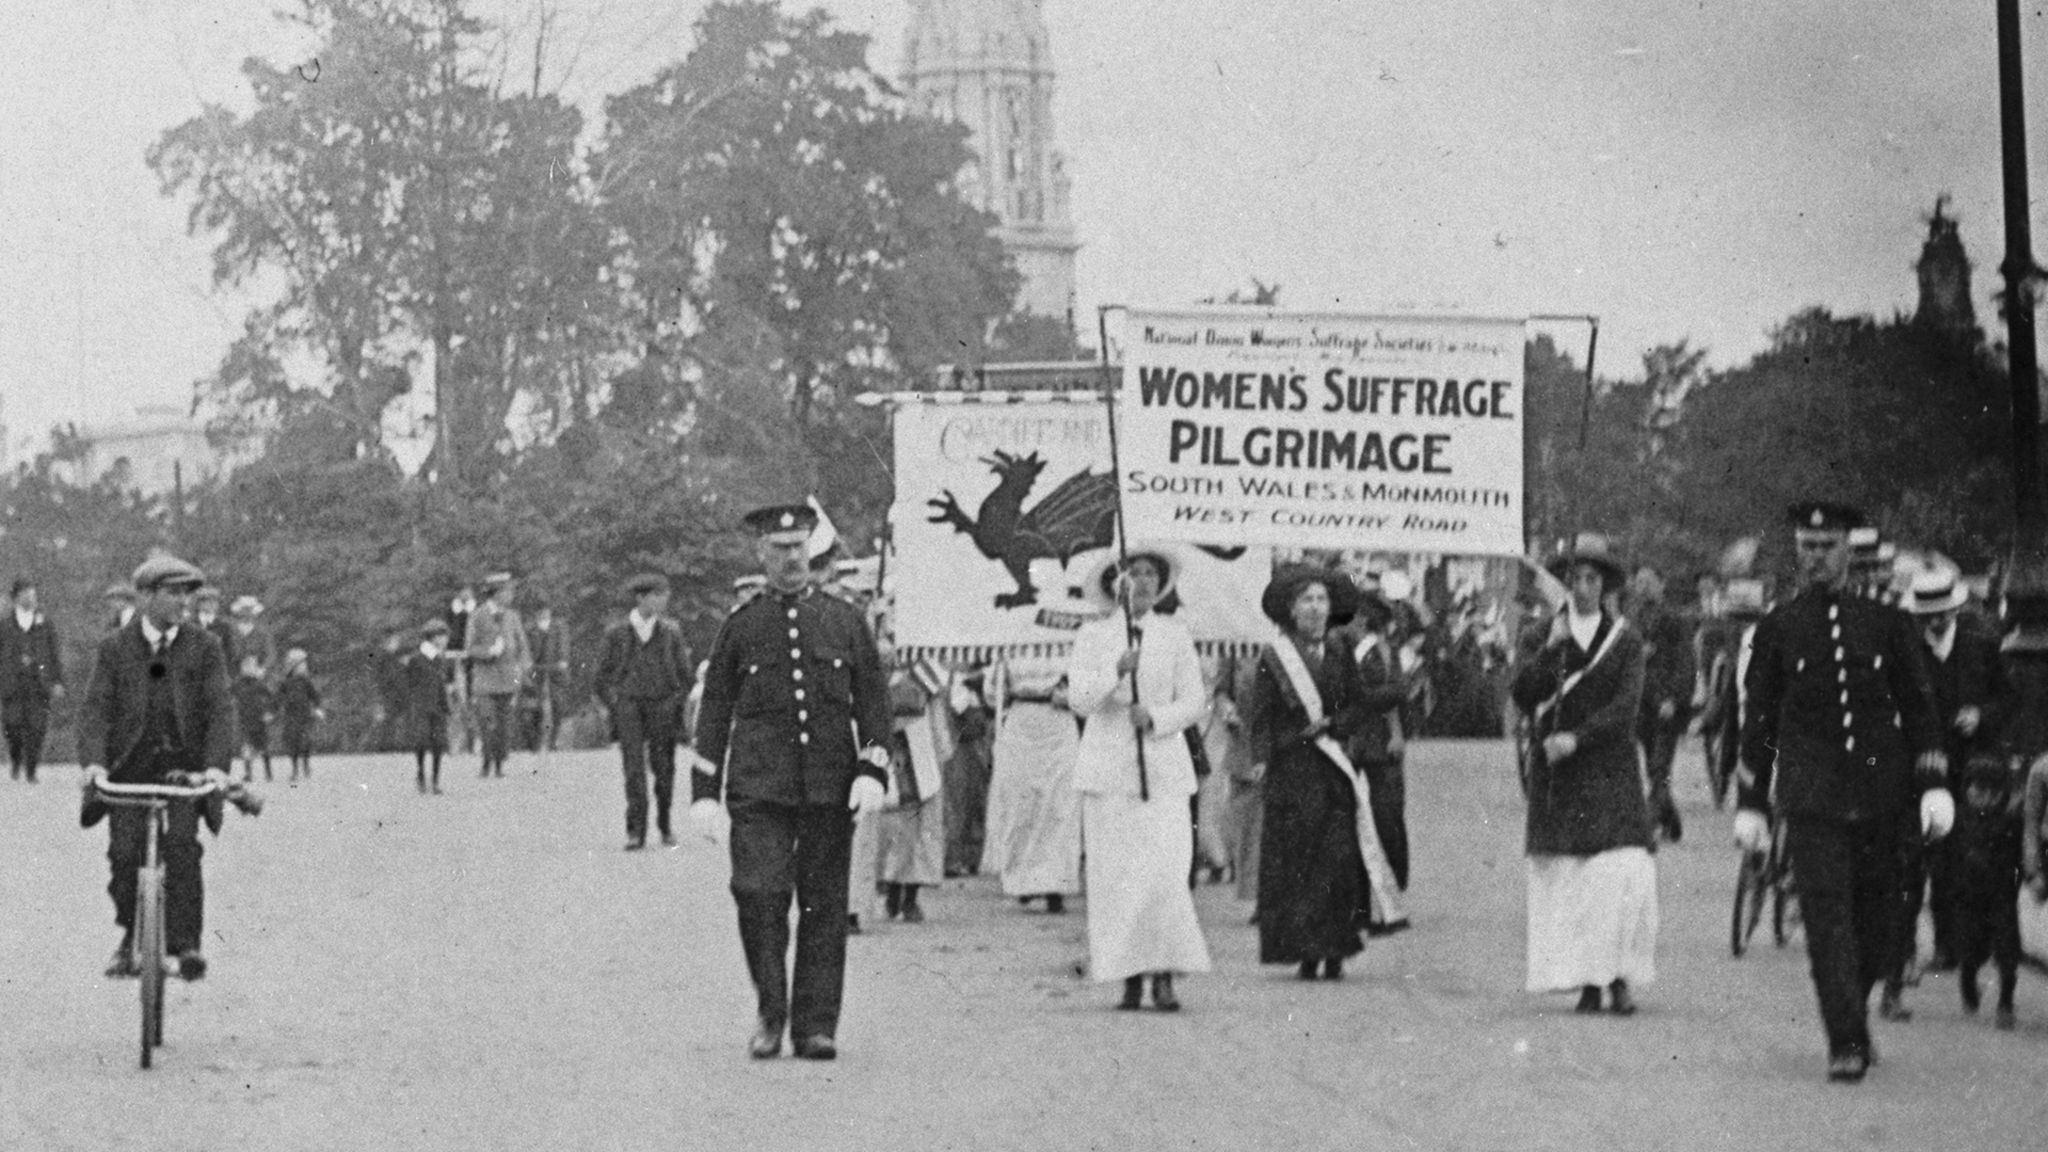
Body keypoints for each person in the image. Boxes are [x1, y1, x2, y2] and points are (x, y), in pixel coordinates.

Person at [1737, 501, 1950, 1083]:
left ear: (1846, 553)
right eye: (1807, 546)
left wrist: (1933, 782)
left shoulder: (1886, 623)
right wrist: (1752, 801)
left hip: (1881, 793)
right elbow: (1758, 722)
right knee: (1827, 917)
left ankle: (1853, 1010)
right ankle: (1846, 1041)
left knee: (1878, 921)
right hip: (1811, 799)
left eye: (1826, 546)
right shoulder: (1778, 628)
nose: (1816, 558)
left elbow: (1919, 707)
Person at [689, 503, 892, 1061]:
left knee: (823, 907)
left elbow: (874, 704)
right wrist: (703, 793)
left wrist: (873, 769)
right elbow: (714, 713)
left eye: (799, 547)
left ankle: (815, 1025)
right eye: (779, 550)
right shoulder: (741, 627)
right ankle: (770, 1009)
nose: (792, 559)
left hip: (830, 786)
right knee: (758, 894)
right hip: (759, 790)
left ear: (812, 550)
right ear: (761, 554)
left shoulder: (845, 621)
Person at [1509, 533, 1658, 1018]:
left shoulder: (1626, 639)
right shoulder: (1541, 634)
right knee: (1569, 879)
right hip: (1558, 775)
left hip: (1608, 766)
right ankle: (1584, 982)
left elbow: (1625, 706)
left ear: (1607, 585)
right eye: (1575, 578)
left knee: (1616, 876)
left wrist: (1580, 737)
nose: (1583, 588)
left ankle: (1617, 979)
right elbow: (1524, 693)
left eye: (1593, 579)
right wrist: (1551, 650)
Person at [77, 554, 238, 980]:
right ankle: (133, 935)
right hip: (128, 772)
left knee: (183, 849)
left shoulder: (205, 647)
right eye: (173, 592)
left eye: (188, 593)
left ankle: (186, 945)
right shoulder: (115, 648)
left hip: (184, 774)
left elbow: (221, 711)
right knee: (124, 855)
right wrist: (94, 765)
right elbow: (95, 712)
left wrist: (216, 768)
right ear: (145, 596)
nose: (183, 602)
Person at [1067, 549, 1212, 1010]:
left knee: (1165, 875)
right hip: (1110, 774)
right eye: (1134, 573)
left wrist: (1157, 717)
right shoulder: (1093, 636)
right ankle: (1127, 972)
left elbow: (1194, 701)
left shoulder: (1175, 635)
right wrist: (1115, 672)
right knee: (1118, 878)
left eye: (1152, 574)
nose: (1143, 582)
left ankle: (1165, 972)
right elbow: (1078, 700)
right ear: (1116, 582)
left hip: (1164, 771)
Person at [1888, 569, 2007, 1017]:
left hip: (1968, 774)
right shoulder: (1905, 653)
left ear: (1955, 610)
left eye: (1941, 615)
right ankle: (1898, 972)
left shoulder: (1979, 648)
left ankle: (1955, 949)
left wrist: (1982, 716)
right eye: (1926, 616)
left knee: (1959, 867)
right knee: (1908, 872)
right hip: (1916, 775)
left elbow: (2008, 699)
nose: (1934, 624)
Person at [1251, 563, 1377, 981]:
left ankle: (1337, 947)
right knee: (1299, 862)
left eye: (1322, 600)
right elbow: (1262, 716)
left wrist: (1335, 726)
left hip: (1334, 769)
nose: (1316, 608)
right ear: (1291, 609)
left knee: (1337, 860)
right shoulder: (1275, 657)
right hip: (1293, 770)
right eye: (1307, 599)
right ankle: (1305, 948)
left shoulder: (1342, 652)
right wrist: (1263, 758)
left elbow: (1359, 706)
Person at [593, 573, 692, 850]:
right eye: (658, 595)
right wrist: (616, 704)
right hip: (630, 707)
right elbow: (601, 677)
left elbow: (685, 675)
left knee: (664, 769)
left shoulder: (671, 632)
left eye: (665, 596)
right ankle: (636, 830)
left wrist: (676, 701)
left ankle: (664, 824)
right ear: (641, 598)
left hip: (663, 705)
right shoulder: (617, 633)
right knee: (633, 770)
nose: (664, 601)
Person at [981, 655, 1082, 913]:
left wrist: (1069, 694)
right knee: (1020, 803)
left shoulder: (1069, 643)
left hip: (1058, 723)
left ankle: (1055, 885)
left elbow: (1086, 685)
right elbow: (992, 694)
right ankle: (1023, 881)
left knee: (1059, 804)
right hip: (1021, 723)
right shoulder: (1010, 645)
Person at [1344, 592, 1413, 900]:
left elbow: (1398, 695)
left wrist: (1397, 733)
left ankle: (1394, 879)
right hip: (1355, 741)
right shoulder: (1346, 652)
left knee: (1387, 814)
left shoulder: (1386, 652)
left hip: (1382, 742)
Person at [1947, 755, 2024, 1029]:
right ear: (1967, 789)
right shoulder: (1958, 820)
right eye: (1979, 790)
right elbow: (1946, 858)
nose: (1985, 798)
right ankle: (1968, 985)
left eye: (1993, 792)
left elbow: (2020, 857)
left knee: (2007, 951)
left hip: (2002, 896)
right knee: (1971, 950)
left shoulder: (2010, 822)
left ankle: (2006, 1002)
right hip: (1968, 897)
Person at [1629, 564, 1696, 844]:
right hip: (1641, 703)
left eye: (1649, 581)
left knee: (1659, 766)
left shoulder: (1673, 620)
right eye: (1639, 581)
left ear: (1661, 584)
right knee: (1651, 767)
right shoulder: (1632, 618)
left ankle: (1648, 826)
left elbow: (1685, 662)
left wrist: (1676, 698)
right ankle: (1672, 821)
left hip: (1665, 705)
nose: (1643, 586)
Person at [466, 573, 531, 778]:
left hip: (508, 679)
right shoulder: (477, 616)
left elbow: (523, 646)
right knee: (487, 722)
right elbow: (470, 648)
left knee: (504, 725)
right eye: (507, 591)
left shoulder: (513, 616)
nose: (510, 595)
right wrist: (489, 652)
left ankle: (500, 764)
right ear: (495, 593)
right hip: (485, 680)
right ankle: (486, 761)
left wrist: (522, 670)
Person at [0, 577, 64, 782]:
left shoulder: (45, 623)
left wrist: (57, 681)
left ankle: (31, 769)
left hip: (39, 683)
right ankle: (16, 758)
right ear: (16, 597)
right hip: (12, 684)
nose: (31, 598)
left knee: (37, 728)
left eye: (33, 594)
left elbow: (54, 655)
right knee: (12, 725)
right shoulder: (5, 624)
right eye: (26, 594)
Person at [398, 620, 454, 793]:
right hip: (421, 707)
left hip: (437, 707)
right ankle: (421, 773)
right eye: (442, 636)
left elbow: (441, 685)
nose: (445, 640)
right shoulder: (416, 659)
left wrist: (446, 706)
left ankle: (435, 780)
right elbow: (408, 684)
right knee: (421, 741)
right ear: (433, 638)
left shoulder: (440, 658)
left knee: (438, 743)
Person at [527, 602, 572, 752]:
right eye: (540, 611)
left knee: (558, 705)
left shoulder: (559, 627)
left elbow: (564, 646)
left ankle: (554, 740)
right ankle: (537, 742)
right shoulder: (531, 629)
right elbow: (528, 651)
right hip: (537, 671)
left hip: (556, 671)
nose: (543, 614)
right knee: (536, 707)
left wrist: (563, 661)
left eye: (545, 611)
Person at [276, 648, 323, 781]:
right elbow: (278, 698)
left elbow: (315, 696)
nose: (304, 666)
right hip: (291, 716)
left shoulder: (306, 681)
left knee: (306, 741)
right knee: (293, 743)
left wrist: (318, 708)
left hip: (305, 716)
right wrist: (271, 711)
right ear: (293, 666)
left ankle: (306, 765)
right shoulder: (286, 682)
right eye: (301, 664)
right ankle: (295, 770)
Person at [232, 655, 274, 782]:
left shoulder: (259, 684)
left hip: (259, 721)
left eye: (253, 666)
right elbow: (226, 696)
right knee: (246, 747)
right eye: (247, 666)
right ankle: (248, 774)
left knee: (264, 747)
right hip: (244, 721)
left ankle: (268, 773)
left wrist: (269, 713)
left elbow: (272, 698)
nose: (249, 669)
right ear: (242, 668)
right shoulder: (237, 683)